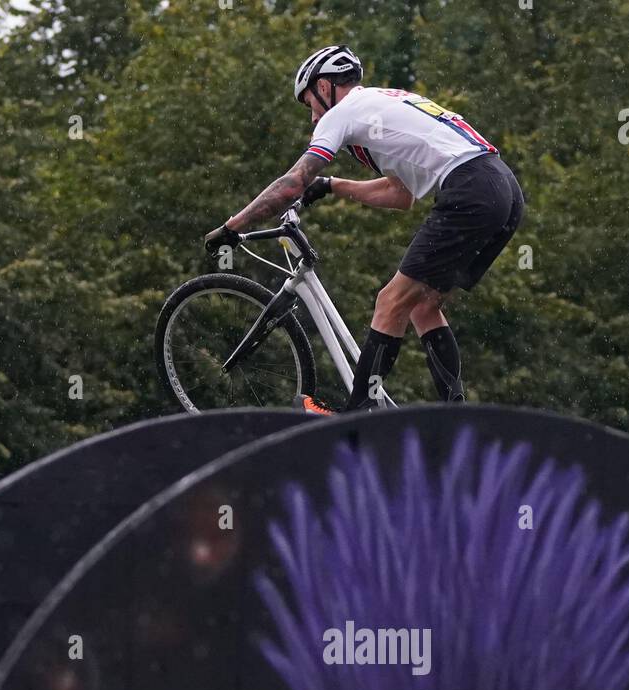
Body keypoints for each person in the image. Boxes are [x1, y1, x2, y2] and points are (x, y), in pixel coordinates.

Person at [203, 45, 526, 414]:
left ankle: (358, 414)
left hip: (470, 189)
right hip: (503, 189)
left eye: (309, 103)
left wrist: (232, 227)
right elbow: (400, 194)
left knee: (390, 301)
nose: (313, 117)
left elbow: (292, 183)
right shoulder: (384, 102)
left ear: (324, 87)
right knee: (422, 306)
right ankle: (455, 414)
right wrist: (332, 185)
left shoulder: (342, 113)